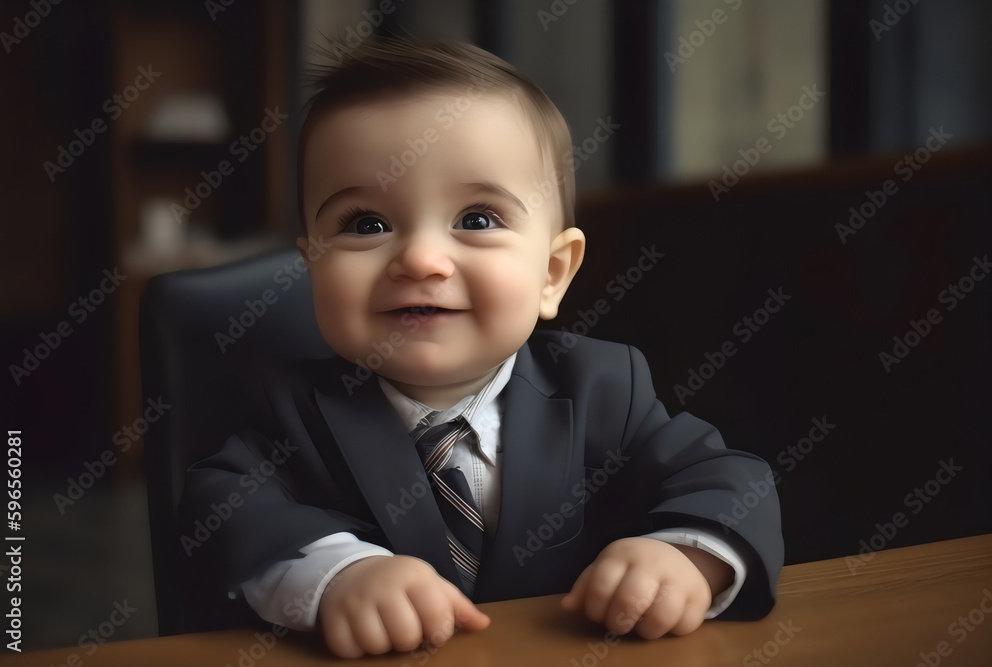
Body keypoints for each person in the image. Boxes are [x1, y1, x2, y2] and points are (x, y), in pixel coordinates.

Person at [180, 36, 783, 658]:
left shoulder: (604, 387)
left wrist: (683, 555)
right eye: (366, 225)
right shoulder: (290, 405)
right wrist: (337, 574)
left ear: (552, 273)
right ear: (312, 269)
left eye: (477, 219)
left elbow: (732, 478)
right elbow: (221, 508)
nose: (419, 258)